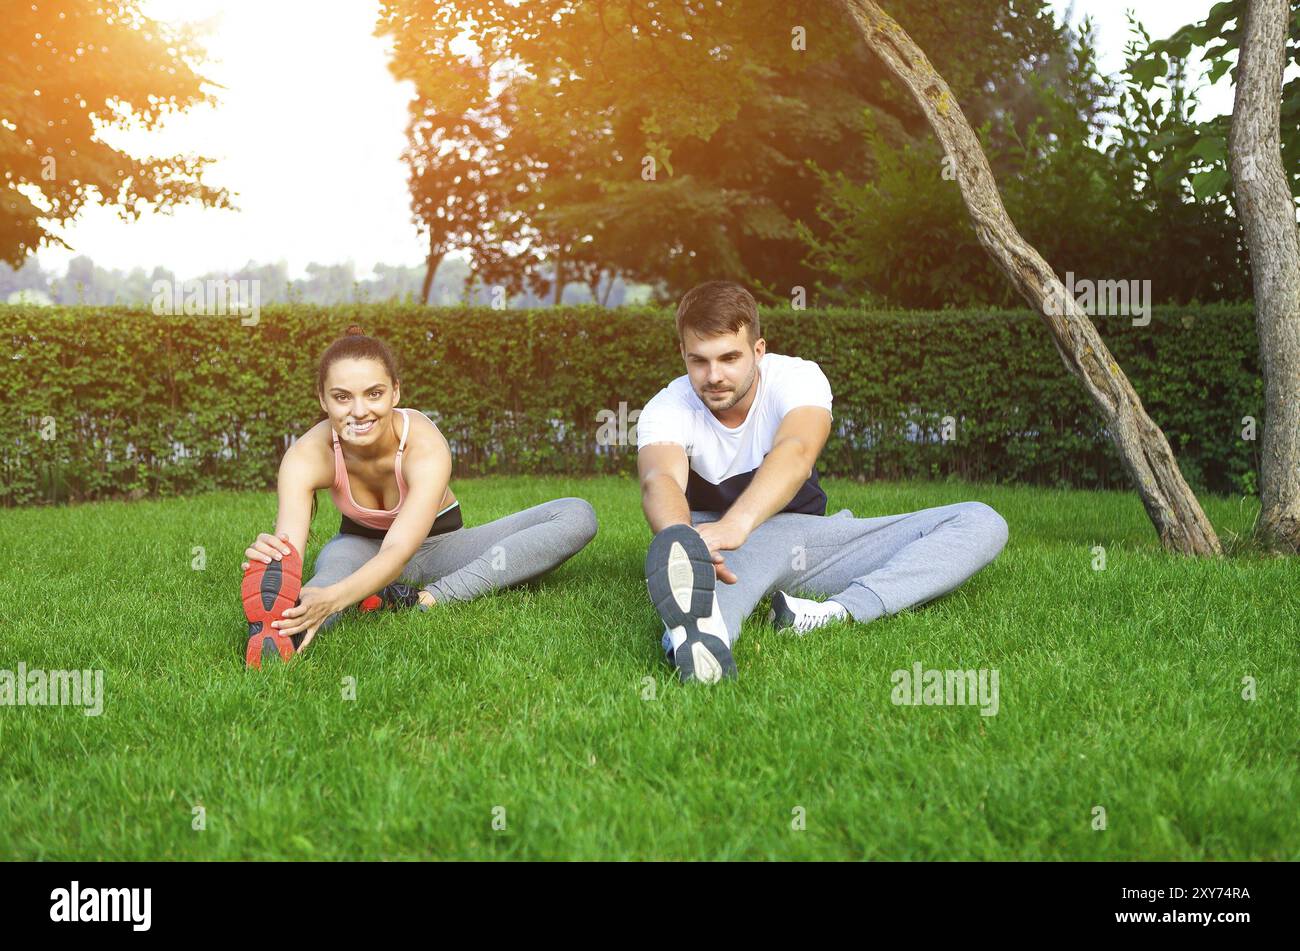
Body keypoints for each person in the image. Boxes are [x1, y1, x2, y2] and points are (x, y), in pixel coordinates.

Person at [637, 282, 1008, 684]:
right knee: (719, 589)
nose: (714, 376)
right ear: (683, 356)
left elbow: (797, 450)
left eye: (729, 358)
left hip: (808, 542)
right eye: (699, 361)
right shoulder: (668, 406)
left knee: (979, 520)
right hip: (716, 550)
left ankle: (832, 613)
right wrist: (682, 544)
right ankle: (700, 639)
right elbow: (660, 478)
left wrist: (736, 526)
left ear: (758, 351)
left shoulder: (798, 377)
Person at [239, 325, 598, 668]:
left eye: (374, 394)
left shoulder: (424, 443)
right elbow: (290, 547)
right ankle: (280, 634)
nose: (359, 411)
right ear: (323, 399)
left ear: (395, 392)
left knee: (575, 514)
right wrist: (276, 560)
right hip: (359, 550)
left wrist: (339, 598)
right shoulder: (307, 454)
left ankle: (423, 599)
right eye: (342, 397)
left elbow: (398, 552)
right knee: (322, 589)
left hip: (443, 547)